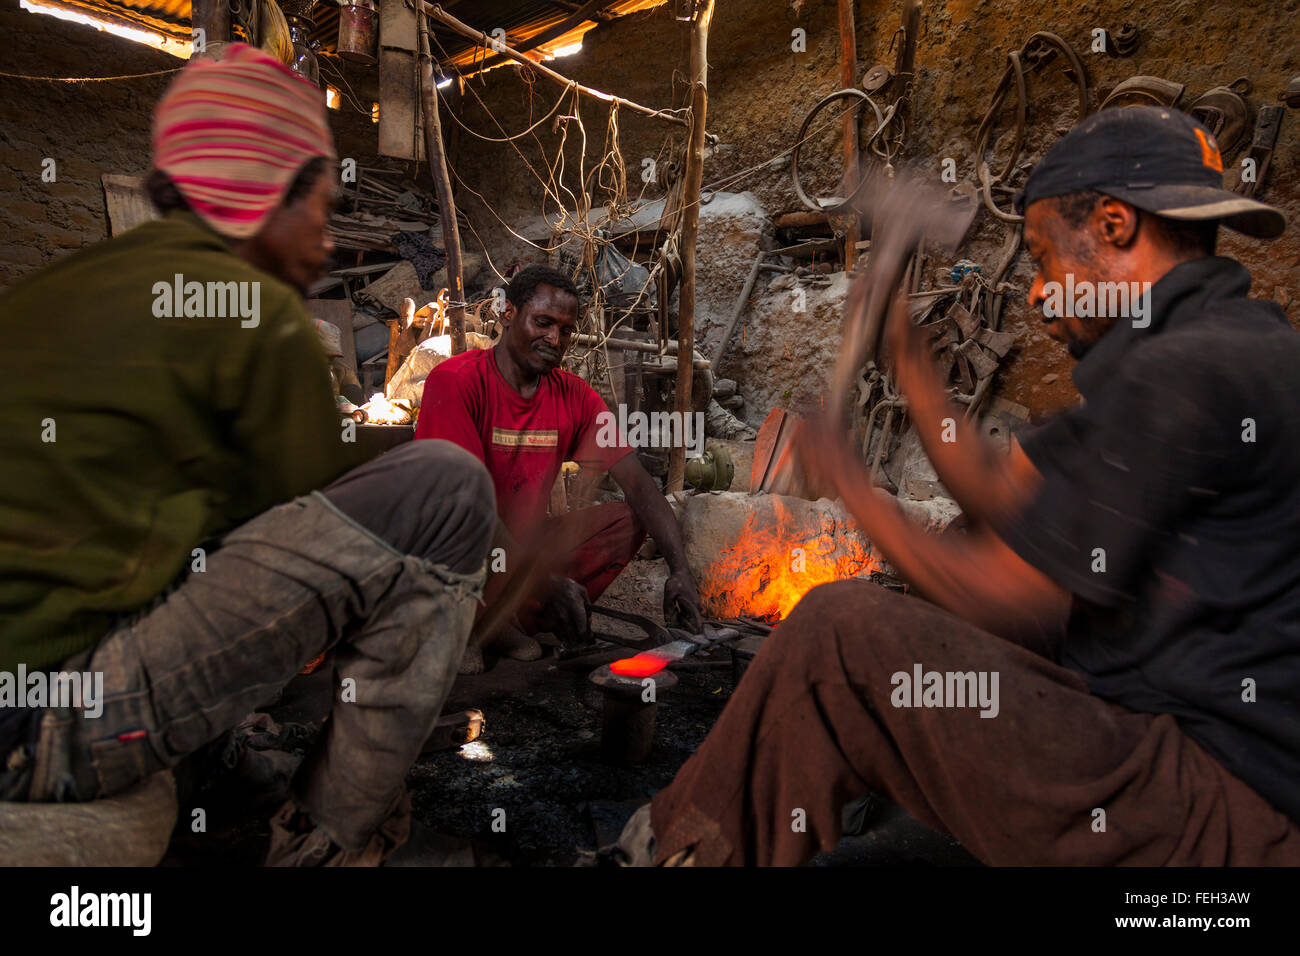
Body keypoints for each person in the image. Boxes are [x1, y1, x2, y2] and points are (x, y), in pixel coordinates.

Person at [606, 106, 1300, 866]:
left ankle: (662, 854)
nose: (1037, 295)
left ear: (1113, 224)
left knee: (842, 631)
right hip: (1199, 765)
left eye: (1041, 257)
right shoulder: (1220, 346)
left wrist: (855, 490)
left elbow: (1009, 588)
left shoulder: (1186, 372)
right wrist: (903, 347)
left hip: (1223, 816)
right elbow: (1004, 496)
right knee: (960, 562)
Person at [0, 44, 494, 866]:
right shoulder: (252, 307)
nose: (326, 241)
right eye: (320, 209)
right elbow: (311, 567)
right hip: (47, 727)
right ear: (267, 193)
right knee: (445, 493)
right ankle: (323, 846)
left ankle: (220, 763)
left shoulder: (57, 290)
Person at [416, 265, 703, 674]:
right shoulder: (456, 381)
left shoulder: (574, 396)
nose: (555, 339)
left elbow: (638, 484)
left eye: (566, 331)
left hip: (516, 559)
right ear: (507, 314)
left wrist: (680, 570)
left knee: (625, 518)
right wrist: (541, 581)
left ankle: (508, 615)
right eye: (543, 323)